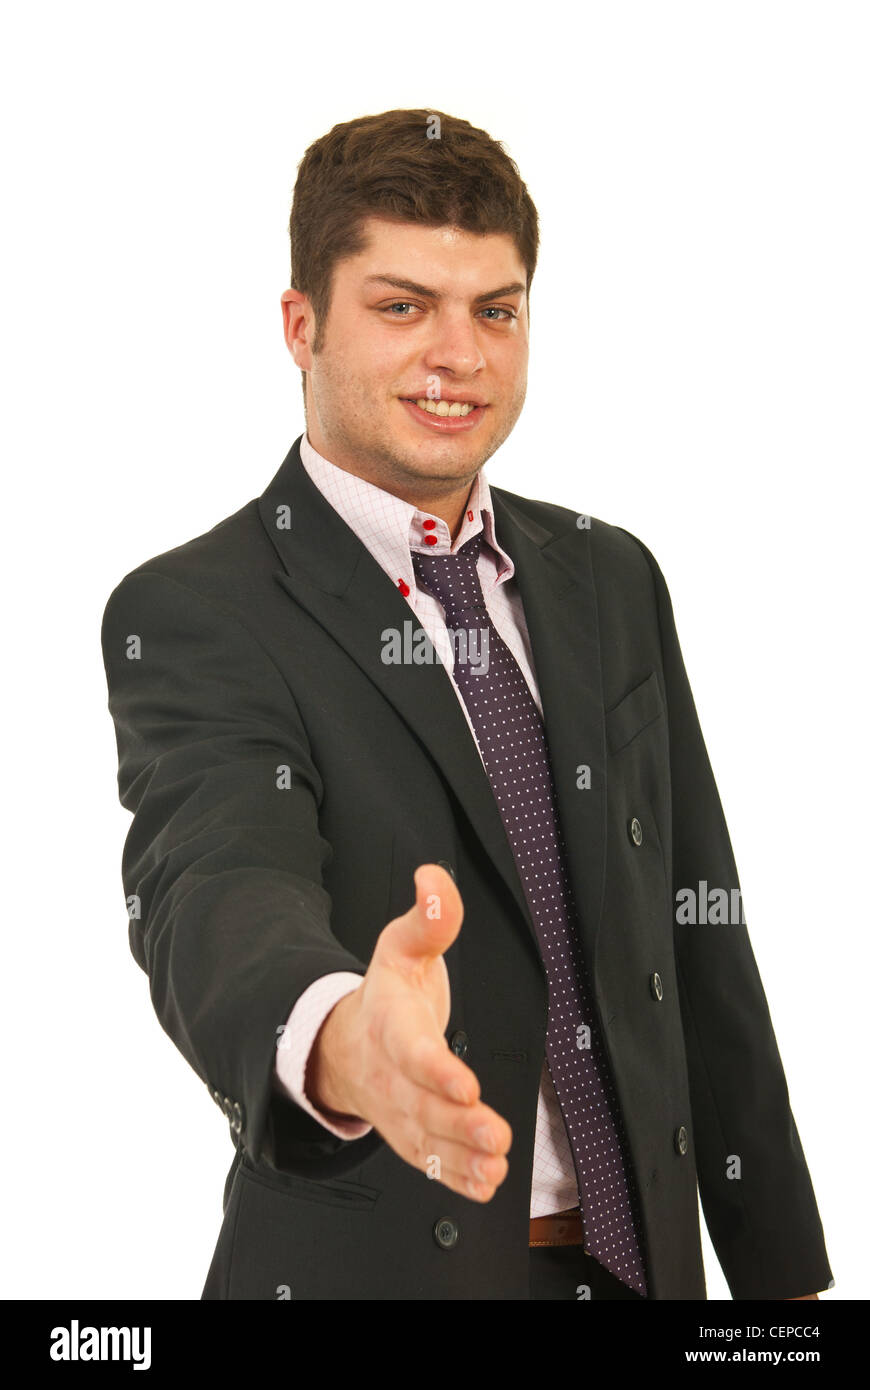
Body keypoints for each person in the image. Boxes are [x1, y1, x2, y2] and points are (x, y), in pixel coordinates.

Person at [101, 108, 832, 1300]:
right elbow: (216, 885)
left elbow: (702, 944)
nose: (462, 356)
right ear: (301, 326)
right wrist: (346, 1039)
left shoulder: (611, 577)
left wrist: (784, 1286)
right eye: (402, 308)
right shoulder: (200, 609)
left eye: (495, 309)